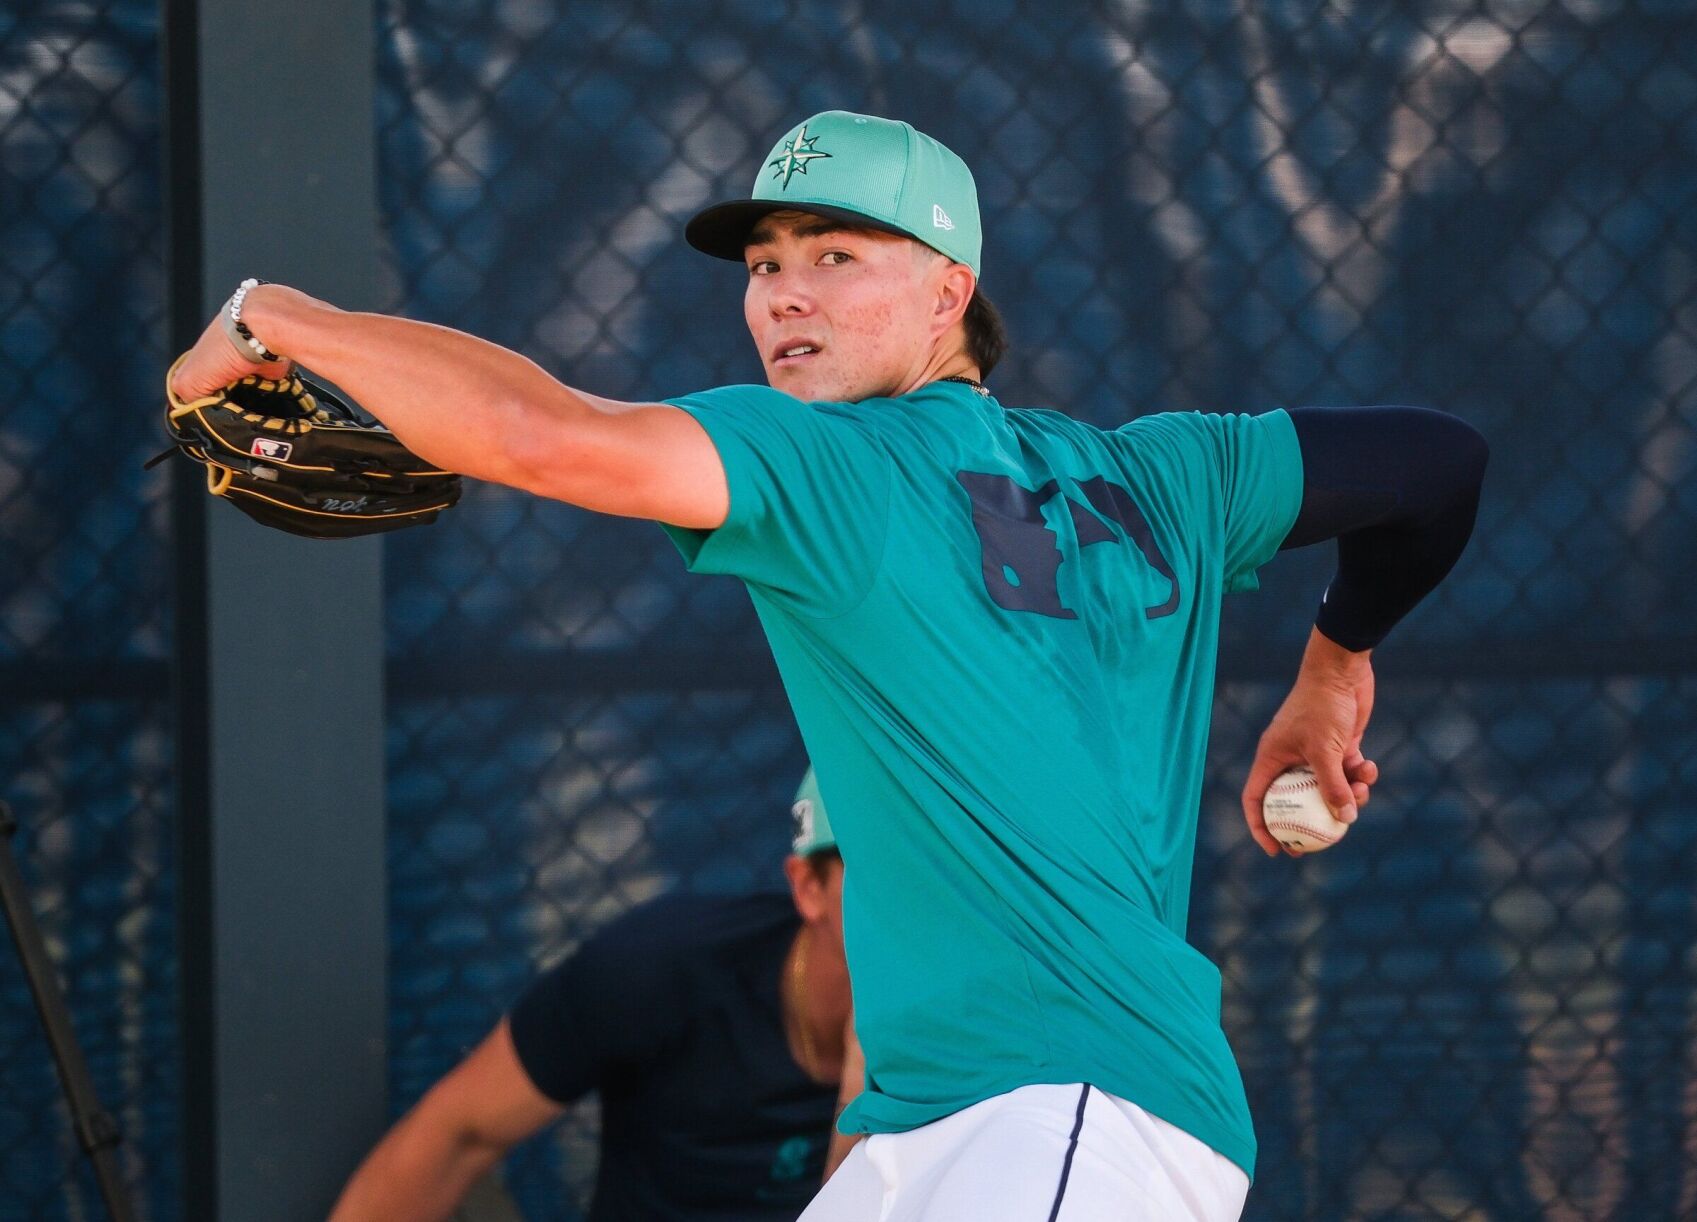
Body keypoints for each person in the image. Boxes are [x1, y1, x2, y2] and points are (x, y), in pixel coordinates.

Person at [173, 109, 1486, 1221]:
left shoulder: (833, 464)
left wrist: (273, 316)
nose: (782, 291)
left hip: (1068, 1106)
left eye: (835, 253)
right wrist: (1335, 661)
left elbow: (540, 432)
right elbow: (1433, 465)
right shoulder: (1171, 474)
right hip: (940, 1120)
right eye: (763, 263)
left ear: (948, 291)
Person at [329, 770, 854, 1221]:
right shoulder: (662, 968)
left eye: (935, 864)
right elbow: (459, 1135)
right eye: (884, 868)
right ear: (809, 886)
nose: (919, 900)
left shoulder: (935, 1037)